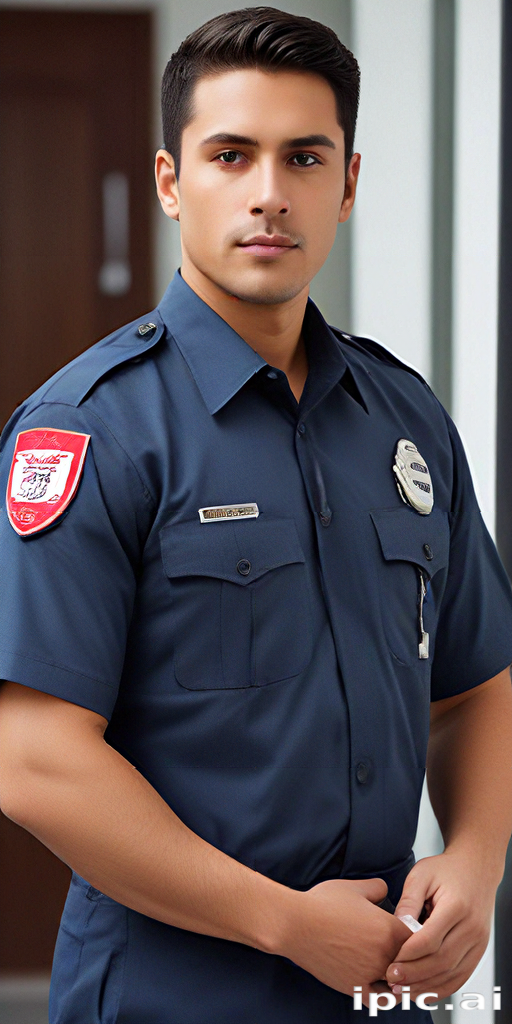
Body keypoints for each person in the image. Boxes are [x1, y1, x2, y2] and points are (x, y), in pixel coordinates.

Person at [0, 7, 511, 1023]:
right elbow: (34, 761)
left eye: (304, 158)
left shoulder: (402, 418)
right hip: (166, 995)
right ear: (169, 182)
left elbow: (471, 685)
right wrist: (283, 921)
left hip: (378, 990)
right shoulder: (88, 430)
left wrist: (473, 859)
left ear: (347, 185)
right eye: (229, 156)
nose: (268, 195)